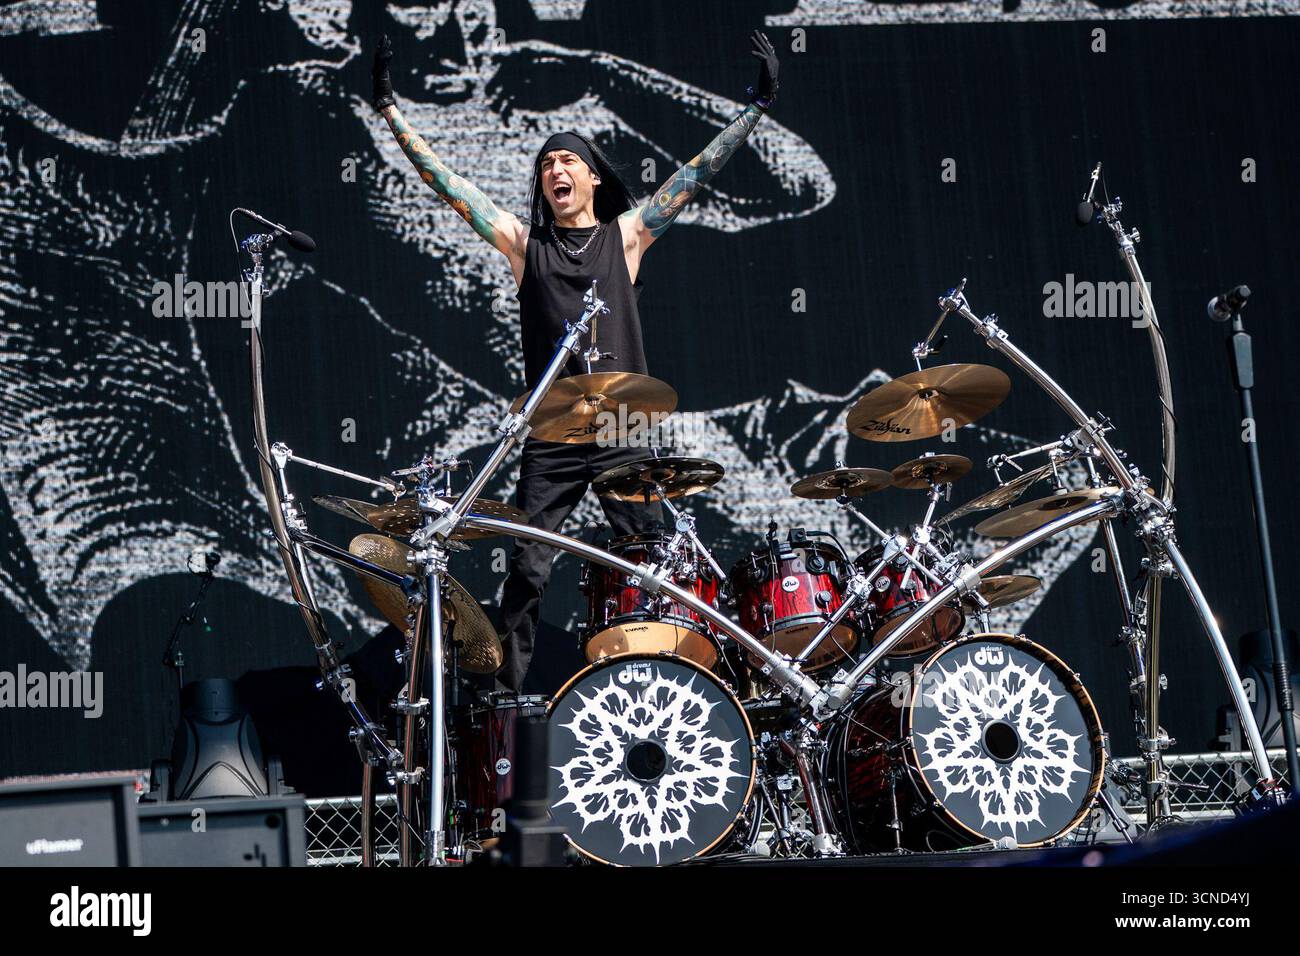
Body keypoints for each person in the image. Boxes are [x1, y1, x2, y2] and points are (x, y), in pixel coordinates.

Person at [371, 29, 781, 691]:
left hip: (619, 428)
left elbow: (697, 174)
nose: (554, 171)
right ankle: (507, 712)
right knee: (528, 569)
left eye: (567, 161)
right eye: (545, 165)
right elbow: (450, 186)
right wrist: (391, 110)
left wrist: (755, 108)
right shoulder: (521, 245)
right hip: (554, 435)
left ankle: (672, 679)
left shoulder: (627, 236)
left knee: (649, 559)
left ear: (591, 176)